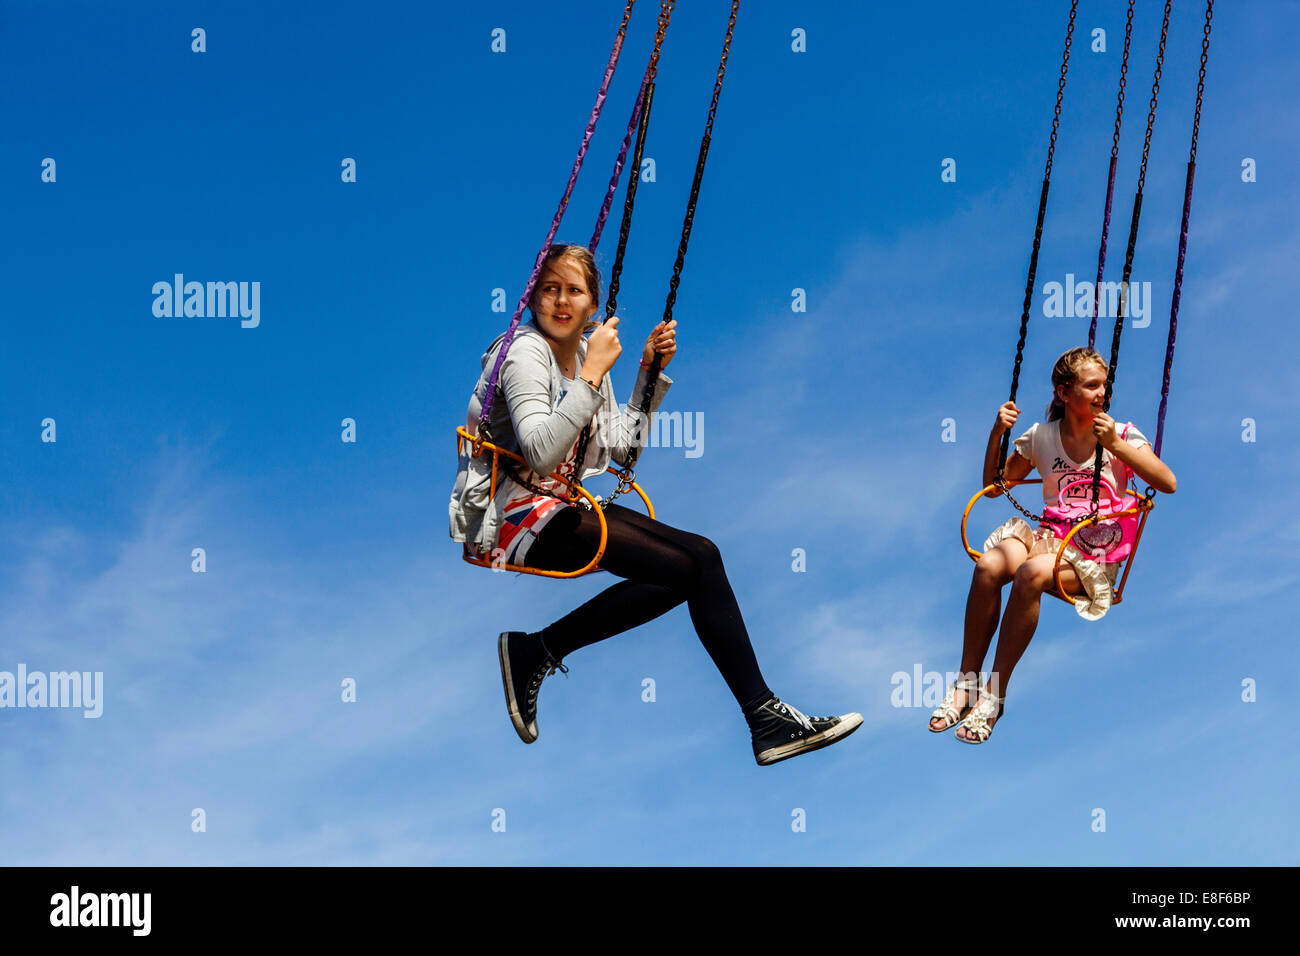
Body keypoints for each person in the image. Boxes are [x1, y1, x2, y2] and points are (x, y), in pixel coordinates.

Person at [449, 244, 862, 766]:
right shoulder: (523, 353)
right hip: (513, 519)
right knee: (694, 566)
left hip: (560, 506)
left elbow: (623, 450)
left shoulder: (582, 353)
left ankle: (537, 652)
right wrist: (593, 375)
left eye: (573, 291)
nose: (560, 301)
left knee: (697, 562)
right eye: (549, 289)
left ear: (593, 306)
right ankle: (764, 718)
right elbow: (538, 449)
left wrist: (647, 372)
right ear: (532, 299)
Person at [929, 346, 1177, 744]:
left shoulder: (1122, 434)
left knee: (1030, 573)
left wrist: (1116, 446)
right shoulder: (1043, 437)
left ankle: (994, 694)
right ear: (1063, 392)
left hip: (1094, 555)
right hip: (1048, 540)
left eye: (1104, 386)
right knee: (990, 565)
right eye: (1091, 386)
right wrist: (997, 433)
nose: (1102, 394)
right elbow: (995, 487)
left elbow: (1167, 482)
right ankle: (966, 683)